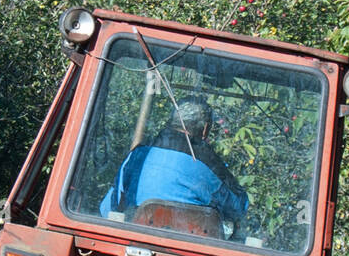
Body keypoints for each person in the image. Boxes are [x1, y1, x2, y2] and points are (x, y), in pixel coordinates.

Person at [100, 97, 249, 227]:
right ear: (205, 130)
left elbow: (107, 208)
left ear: (172, 122)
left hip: (135, 240)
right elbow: (238, 208)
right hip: (189, 250)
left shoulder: (138, 154)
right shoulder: (207, 163)